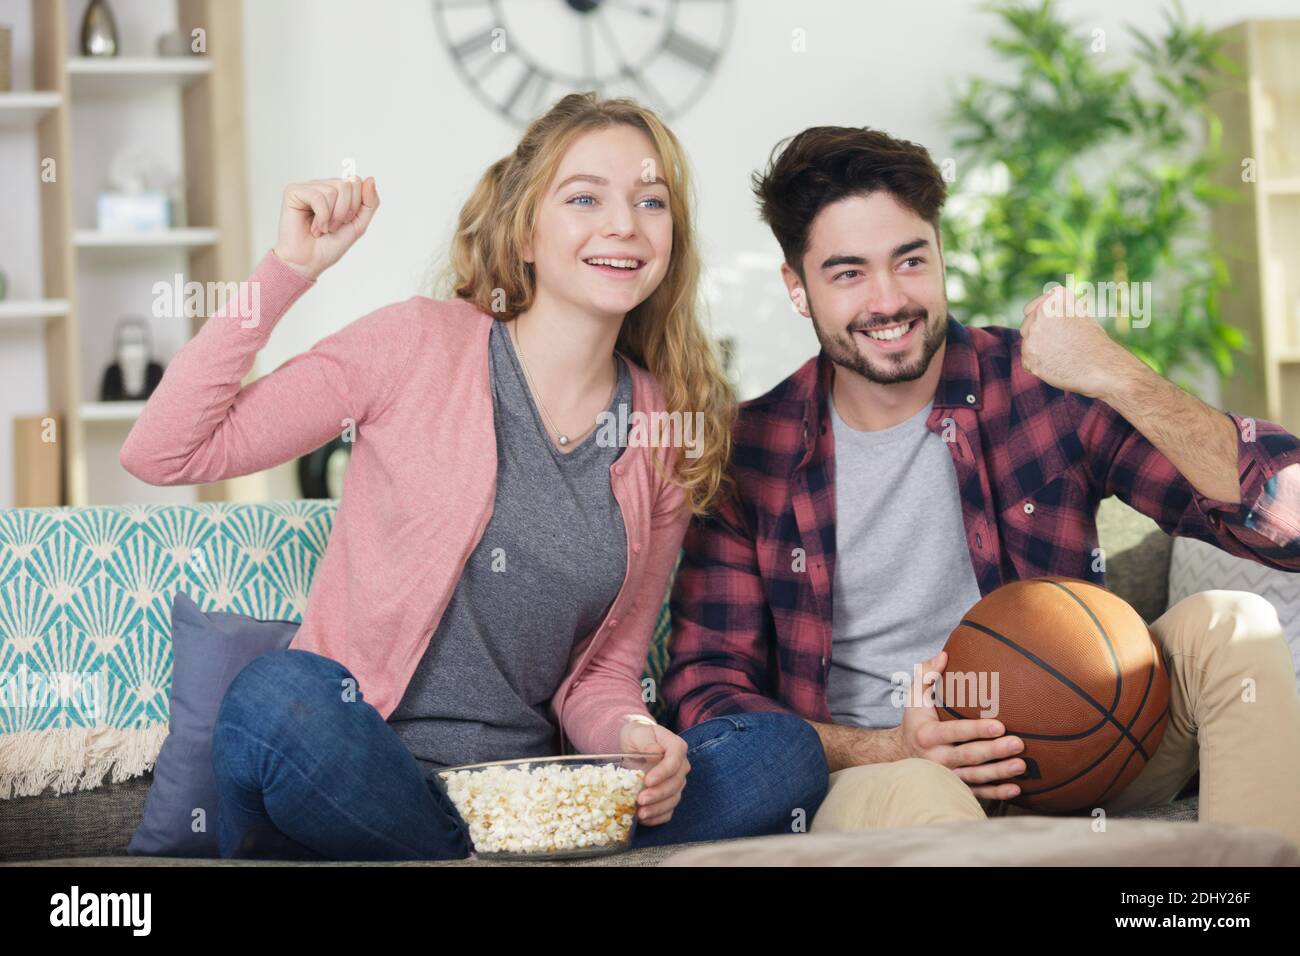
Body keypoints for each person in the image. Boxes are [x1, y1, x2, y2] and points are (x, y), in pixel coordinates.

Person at [120, 93, 828, 861]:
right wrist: (287, 272)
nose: (623, 222)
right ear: (526, 231)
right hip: (358, 778)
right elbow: (164, 452)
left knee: (783, 751)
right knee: (276, 698)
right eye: (585, 196)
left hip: (527, 802)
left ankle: (472, 857)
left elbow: (605, 673)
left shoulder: (665, 427)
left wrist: (634, 737)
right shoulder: (415, 344)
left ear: (670, 239)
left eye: (650, 200)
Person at [661, 124, 1300, 850]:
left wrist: (1116, 375)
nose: (888, 300)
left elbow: (1285, 521)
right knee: (925, 794)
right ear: (797, 288)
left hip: (1087, 737)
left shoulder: (1043, 388)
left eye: (910, 260)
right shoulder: (749, 450)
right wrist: (886, 747)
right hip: (893, 775)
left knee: (1231, 624)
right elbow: (710, 695)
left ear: (940, 253)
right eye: (848, 273)